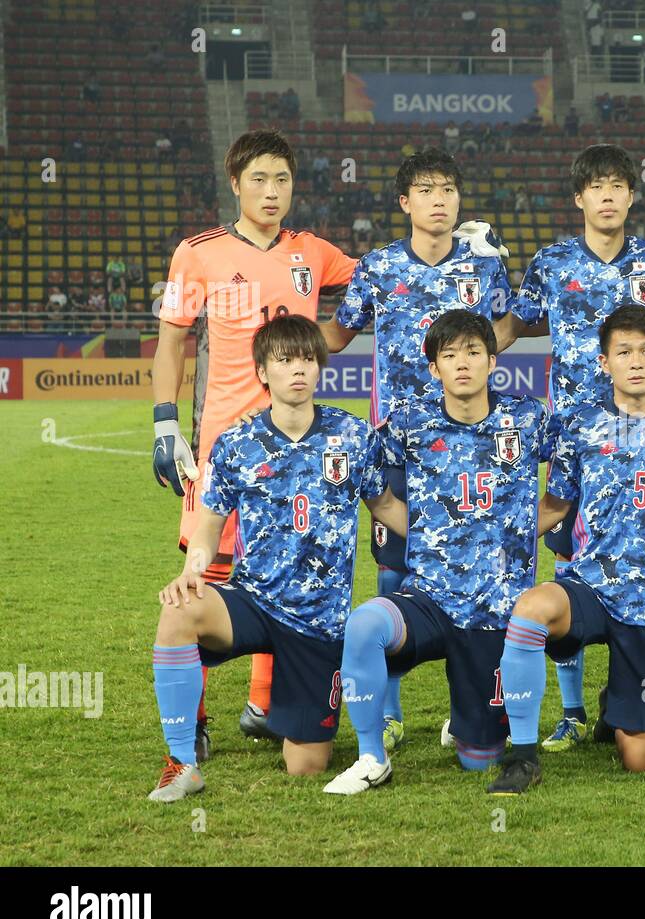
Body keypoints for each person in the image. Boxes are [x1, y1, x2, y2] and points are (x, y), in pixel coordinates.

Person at [151, 129, 358, 754]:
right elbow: (172, 342)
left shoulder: (313, 252)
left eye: (283, 180)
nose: (272, 192)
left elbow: (384, 284)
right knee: (207, 570)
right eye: (260, 179)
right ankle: (196, 721)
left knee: (290, 569)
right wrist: (165, 420)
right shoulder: (198, 252)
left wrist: (459, 249)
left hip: (295, 441)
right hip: (221, 445)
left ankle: (266, 705)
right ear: (235, 182)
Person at [145, 315, 401, 802]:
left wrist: (450, 535)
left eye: (306, 359)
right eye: (284, 361)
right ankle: (182, 762)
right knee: (178, 609)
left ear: (320, 367)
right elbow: (209, 527)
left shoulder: (352, 435)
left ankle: (286, 712)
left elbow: (385, 507)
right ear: (263, 372)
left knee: (305, 767)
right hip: (254, 601)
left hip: (319, 621)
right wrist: (190, 574)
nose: (297, 370)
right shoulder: (237, 444)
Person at [487, 306, 645, 794]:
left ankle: (616, 709)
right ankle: (521, 757)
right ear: (605, 362)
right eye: (624, 351)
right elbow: (556, 505)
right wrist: (496, 539)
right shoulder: (579, 424)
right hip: (591, 587)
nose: (636, 360)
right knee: (533, 609)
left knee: (642, 761)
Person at [493, 144, 645, 752]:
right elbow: (514, 325)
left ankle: (642, 705)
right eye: (595, 187)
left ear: (632, 196)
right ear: (579, 198)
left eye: (618, 186)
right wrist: (460, 341)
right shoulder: (551, 262)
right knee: (569, 564)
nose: (607, 196)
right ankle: (573, 711)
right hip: (577, 441)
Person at [318, 148, 510, 752]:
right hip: (400, 448)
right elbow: (339, 333)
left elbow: (507, 324)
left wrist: (483, 354)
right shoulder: (376, 269)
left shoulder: (483, 269)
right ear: (405, 203)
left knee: (478, 576)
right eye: (426, 191)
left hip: (471, 449)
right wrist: (279, 345)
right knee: (396, 571)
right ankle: (392, 711)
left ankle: (467, 708)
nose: (439, 200)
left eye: (448, 190)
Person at [323, 311, 550, 793]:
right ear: (433, 369)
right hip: (428, 599)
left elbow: (585, 462)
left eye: (472, 353)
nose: (461, 364)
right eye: (449, 356)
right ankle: (371, 756)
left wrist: (526, 529)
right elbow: (366, 476)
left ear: (493, 361)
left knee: (479, 758)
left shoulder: (529, 419)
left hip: (495, 610)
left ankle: (468, 724)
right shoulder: (410, 422)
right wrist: (424, 531)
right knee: (364, 624)